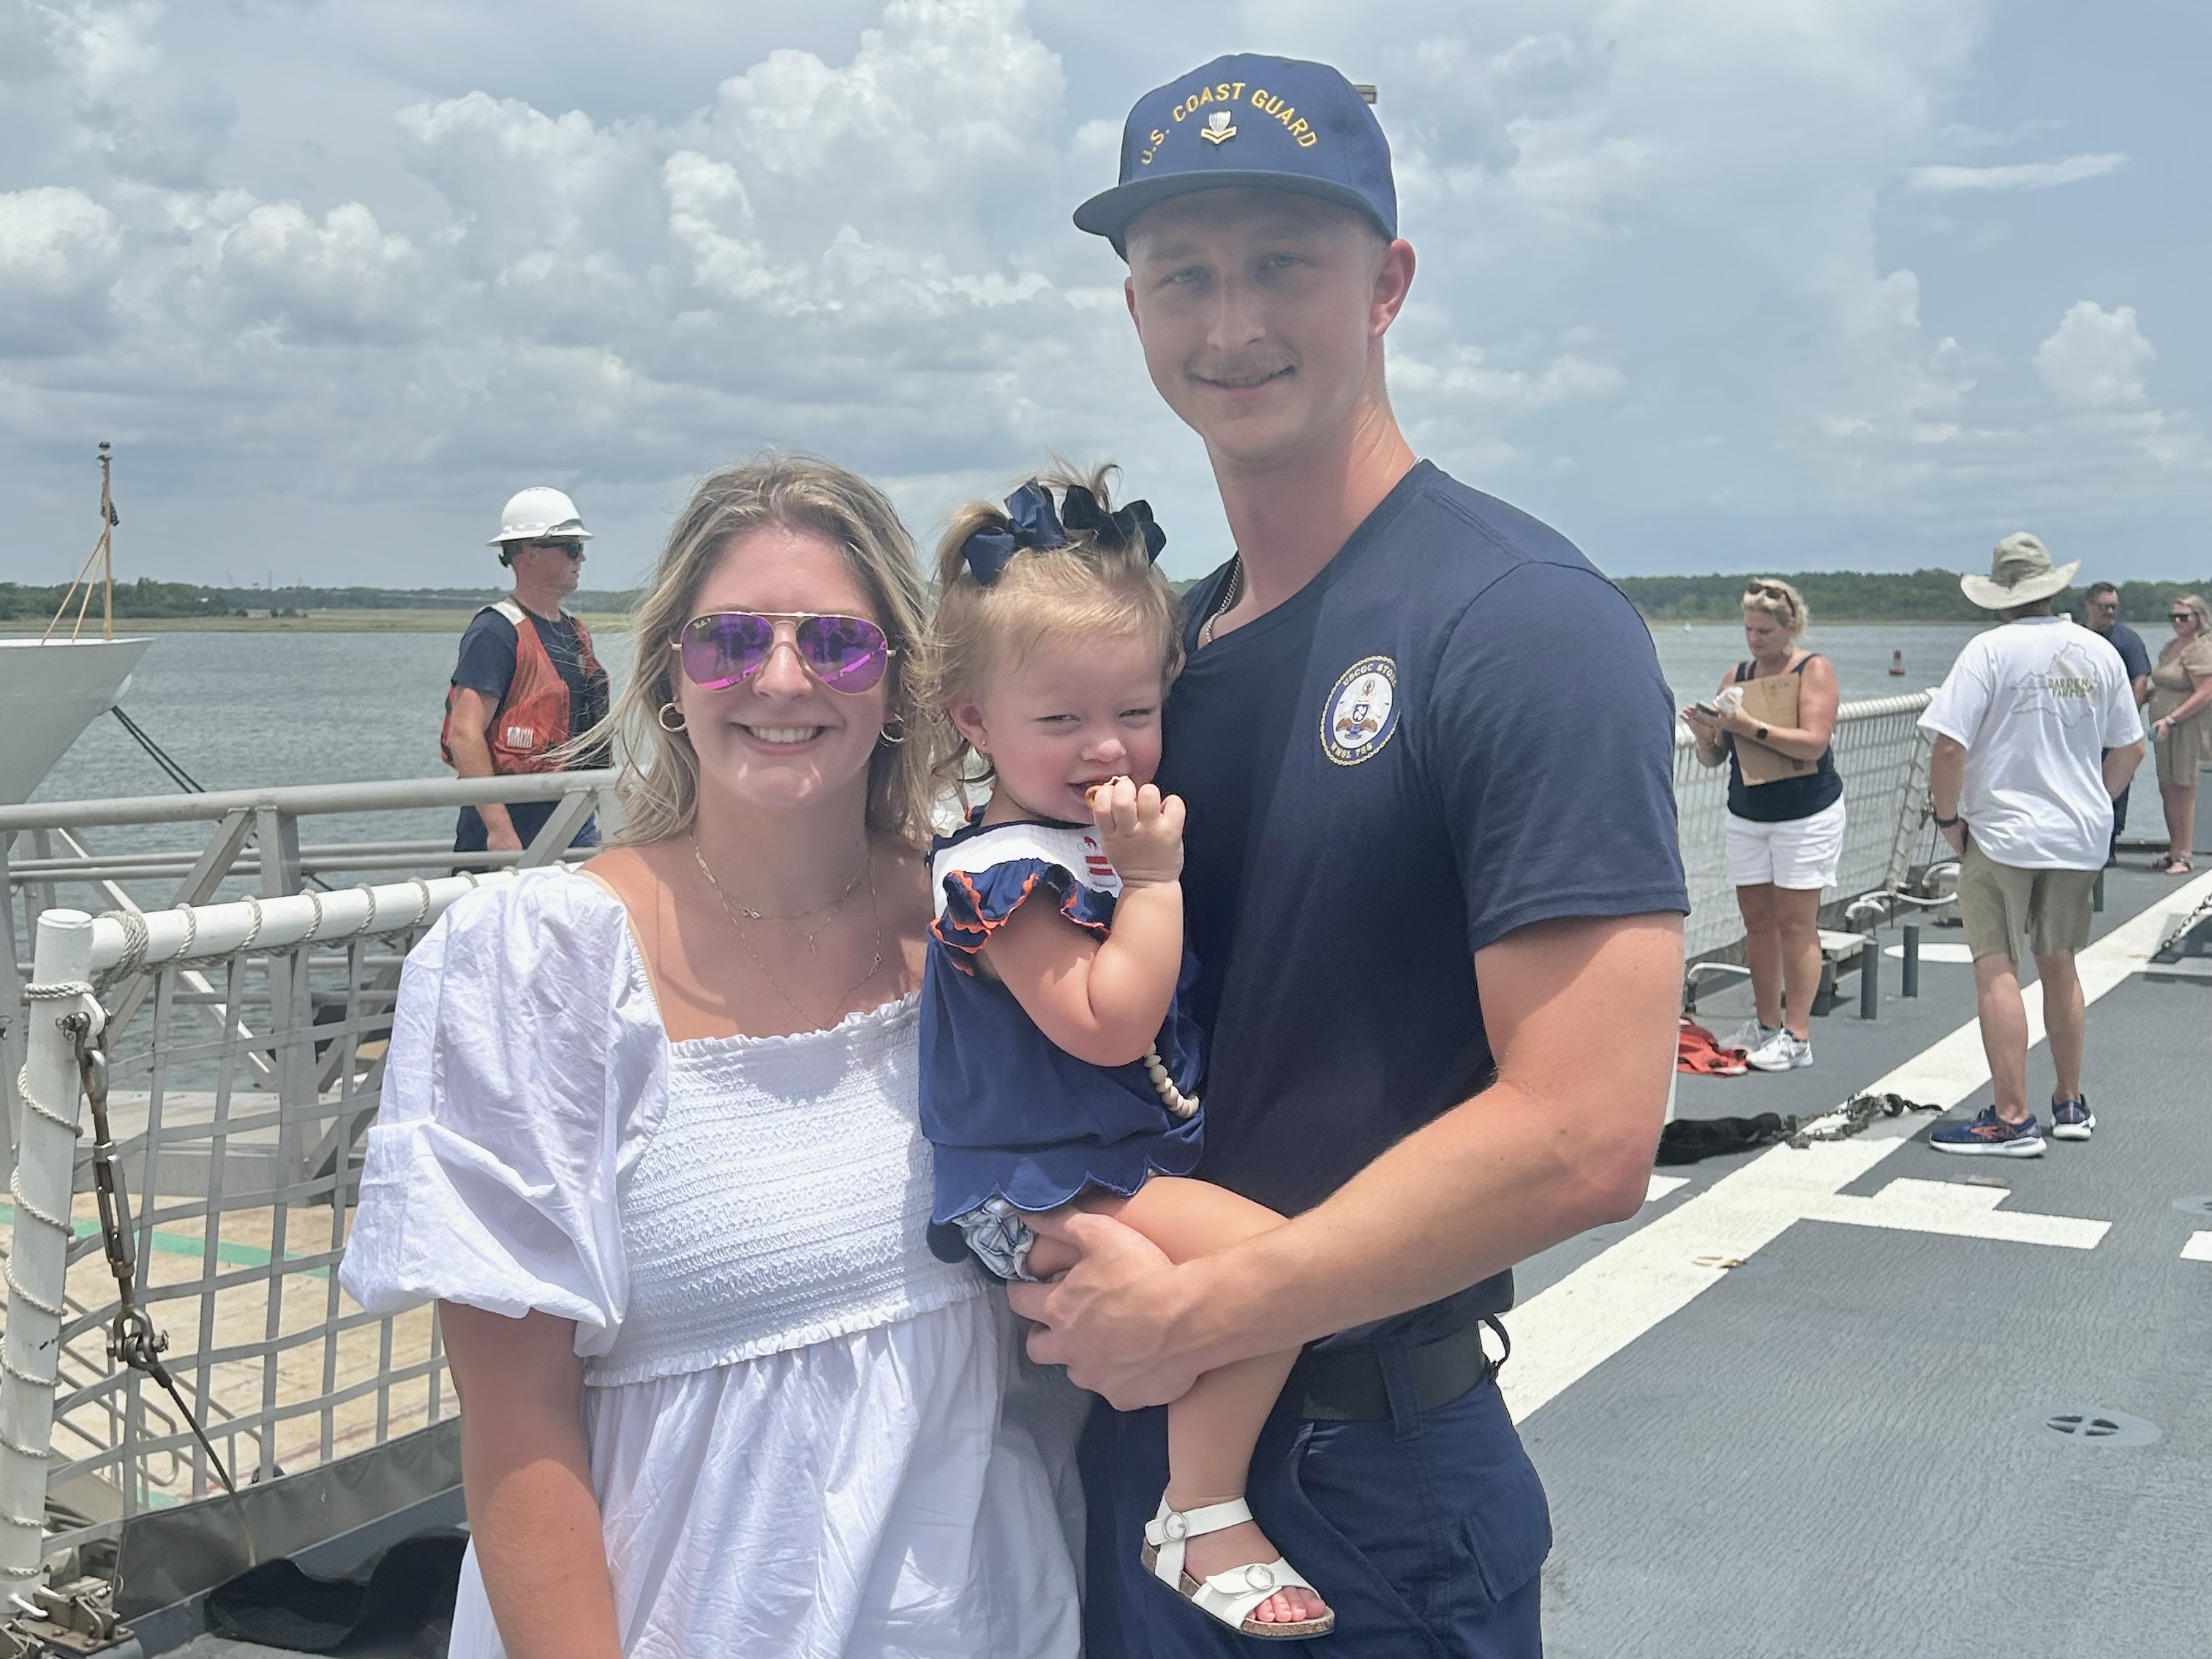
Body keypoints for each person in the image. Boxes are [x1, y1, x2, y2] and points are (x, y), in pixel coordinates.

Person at [1020, 55, 1689, 1658]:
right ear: (1134, 312)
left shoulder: (1517, 625)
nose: (1231, 321)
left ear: (1386, 284)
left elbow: (1586, 1131)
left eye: (1283, 265)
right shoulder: (1168, 665)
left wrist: (1206, 1308)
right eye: (1183, 273)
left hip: (1360, 1460)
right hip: (1136, 1431)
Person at [342, 456, 1083, 1659]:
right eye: (730, 638)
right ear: (670, 674)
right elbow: (518, 1420)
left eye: (836, 644)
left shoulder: (990, 926)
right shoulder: (536, 964)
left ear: (899, 681)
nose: (780, 676)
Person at [919, 472, 1331, 1639]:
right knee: (1280, 1269)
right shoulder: (1000, 872)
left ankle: (1195, 1497)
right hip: (1044, 1177)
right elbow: (1106, 1023)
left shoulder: (1078, 839)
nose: (1106, 747)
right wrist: (1152, 881)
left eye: (1135, 713)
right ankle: (1199, 1510)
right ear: (972, 722)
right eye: (1061, 722)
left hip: (1101, 1157)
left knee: (1254, 1276)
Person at [1921, 533, 2143, 1156]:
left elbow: (1948, 746)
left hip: (2003, 831)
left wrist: (1948, 819)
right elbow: (2130, 747)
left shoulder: (1988, 650)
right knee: (2061, 962)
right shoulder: (2097, 652)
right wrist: (2096, 801)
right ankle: (2068, 1102)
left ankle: (2011, 1116)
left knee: (1997, 965)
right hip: (2077, 836)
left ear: (2000, 597)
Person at [1680, 579, 1843, 1072]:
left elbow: (1813, 744)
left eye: (1765, 631)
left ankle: (1799, 1033)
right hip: (1748, 812)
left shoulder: (1814, 670)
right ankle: (1767, 1023)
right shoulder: (1739, 674)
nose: (1755, 640)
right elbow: (1715, 757)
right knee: (1758, 922)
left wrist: (1748, 726)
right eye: (1749, 629)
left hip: (1805, 812)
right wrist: (1705, 736)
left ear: (1789, 627)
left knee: (1797, 923)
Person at [442, 486, 612, 862]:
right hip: (513, 828)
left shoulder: (574, 632)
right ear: (529, 554)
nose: (581, 557)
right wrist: (499, 830)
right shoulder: (495, 632)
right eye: (570, 547)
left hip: (573, 819)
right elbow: (465, 732)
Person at [2080, 581, 2152, 863]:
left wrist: (2126, 717)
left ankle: (2108, 844)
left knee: (2115, 784)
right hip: (2081, 727)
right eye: (2103, 606)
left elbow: (2141, 679)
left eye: (2113, 607)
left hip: (2113, 729)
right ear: (2088, 606)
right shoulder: (2075, 636)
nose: (2109, 612)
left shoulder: (2127, 640)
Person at [2147, 592, 2212, 876]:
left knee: (2185, 786)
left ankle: (2185, 855)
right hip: (2163, 729)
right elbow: (2162, 683)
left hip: (2189, 727)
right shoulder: (2170, 647)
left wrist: (2172, 719)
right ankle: (2174, 849)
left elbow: (2206, 692)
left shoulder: (2200, 649)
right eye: (2173, 616)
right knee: (2167, 785)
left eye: (2184, 617)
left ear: (2199, 618)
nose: (2177, 622)